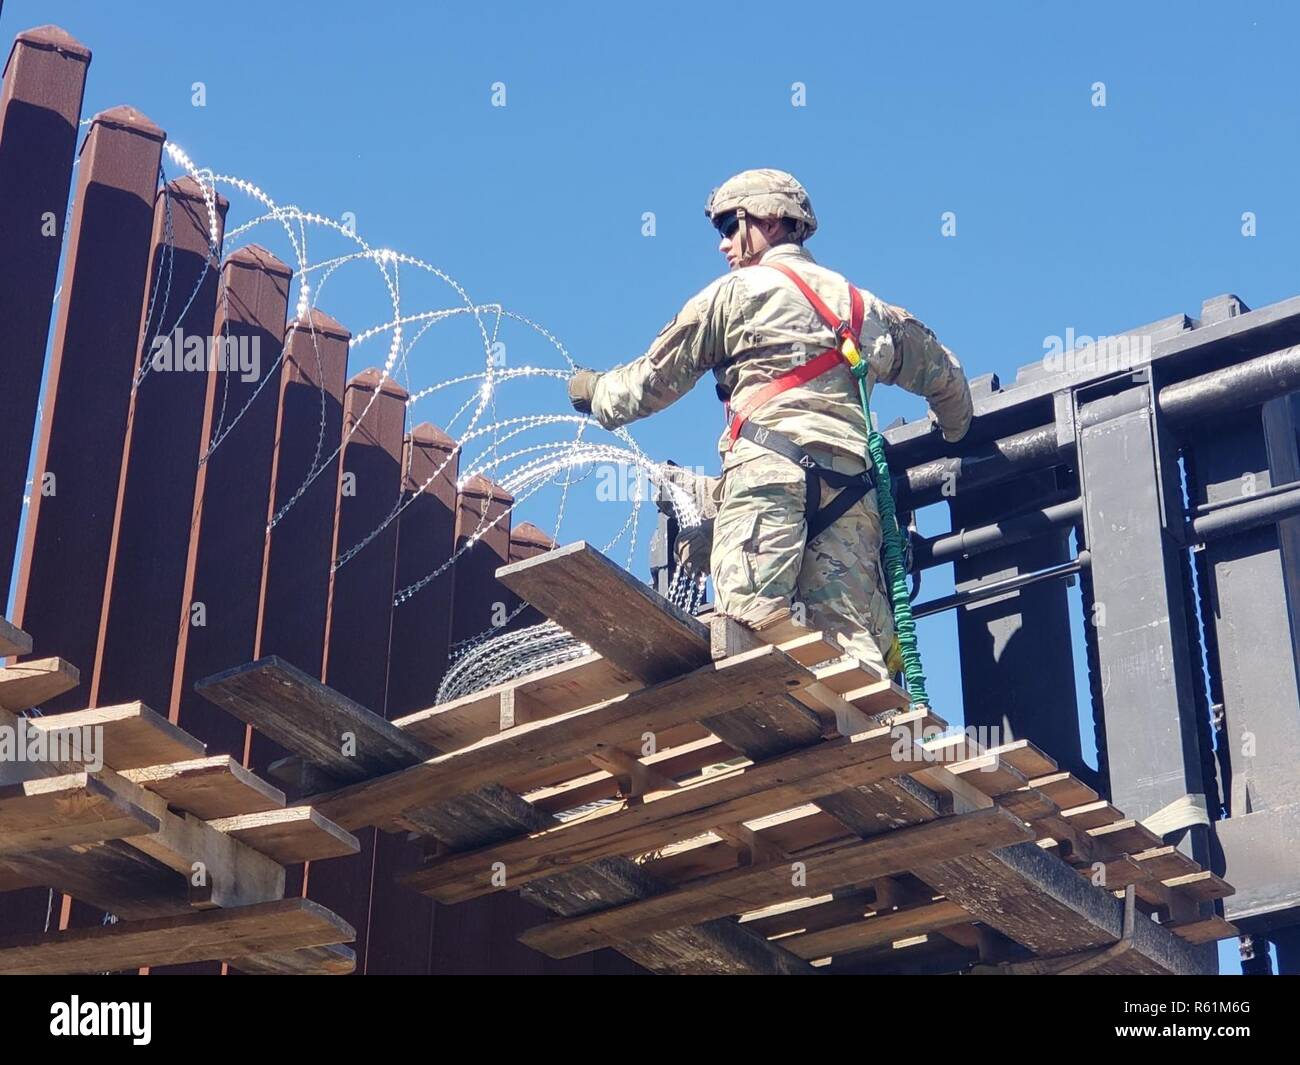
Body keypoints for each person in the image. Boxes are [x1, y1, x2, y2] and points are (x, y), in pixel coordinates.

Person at [568, 168, 973, 677]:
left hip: (767, 480)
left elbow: (650, 385)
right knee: (853, 652)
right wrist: (955, 431)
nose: (721, 246)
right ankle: (881, 744)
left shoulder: (734, 295)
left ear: (770, 222)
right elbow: (944, 374)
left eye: (726, 227)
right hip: (852, 497)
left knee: (746, 635)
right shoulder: (861, 307)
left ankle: (748, 758)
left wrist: (592, 392)